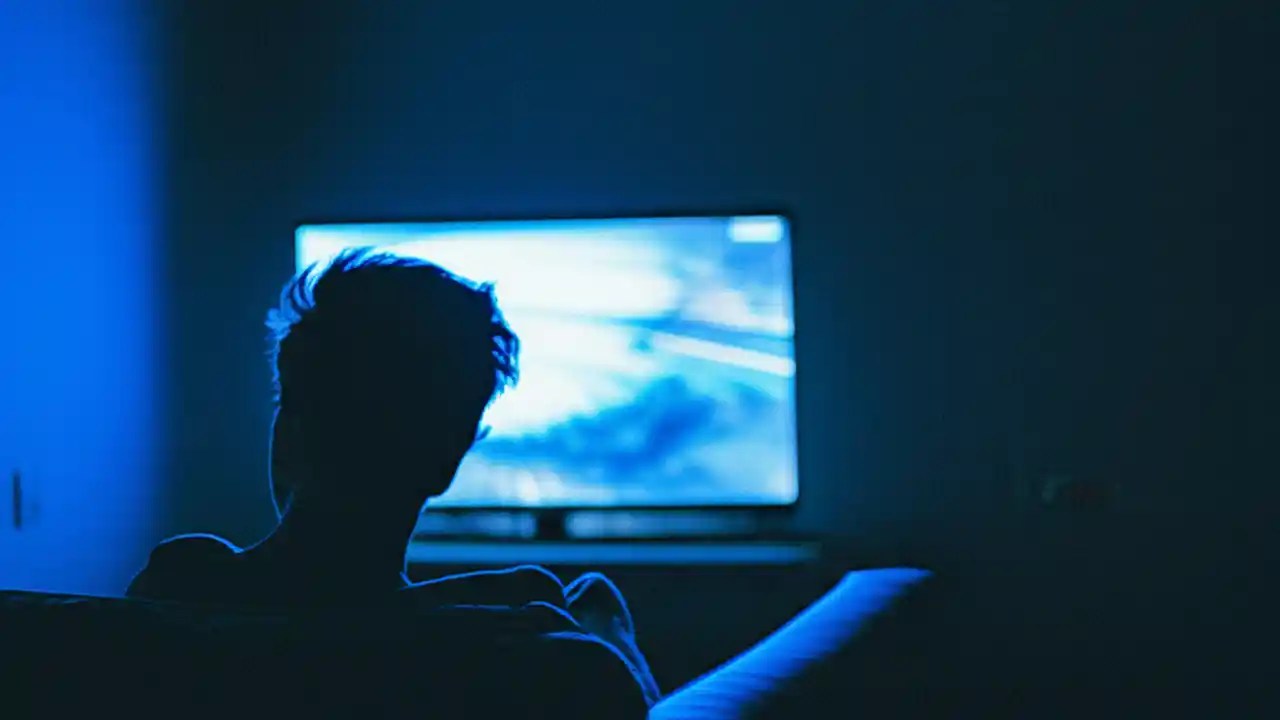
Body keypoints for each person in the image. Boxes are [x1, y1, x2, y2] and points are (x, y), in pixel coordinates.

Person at [127, 248, 659, 704]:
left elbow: (341, 619)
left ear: (287, 428)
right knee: (595, 597)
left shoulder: (180, 582)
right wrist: (573, 619)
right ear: (445, 460)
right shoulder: (531, 643)